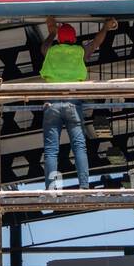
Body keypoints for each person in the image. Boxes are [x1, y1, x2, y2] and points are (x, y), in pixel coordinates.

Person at [39, 17, 116, 190]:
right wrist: (105, 27)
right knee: (79, 147)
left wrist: (52, 33)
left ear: (59, 39)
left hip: (51, 105)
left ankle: (51, 187)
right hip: (73, 104)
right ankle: (84, 185)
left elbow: (43, 47)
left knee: (51, 150)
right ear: (74, 39)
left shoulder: (50, 51)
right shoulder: (79, 51)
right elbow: (96, 42)